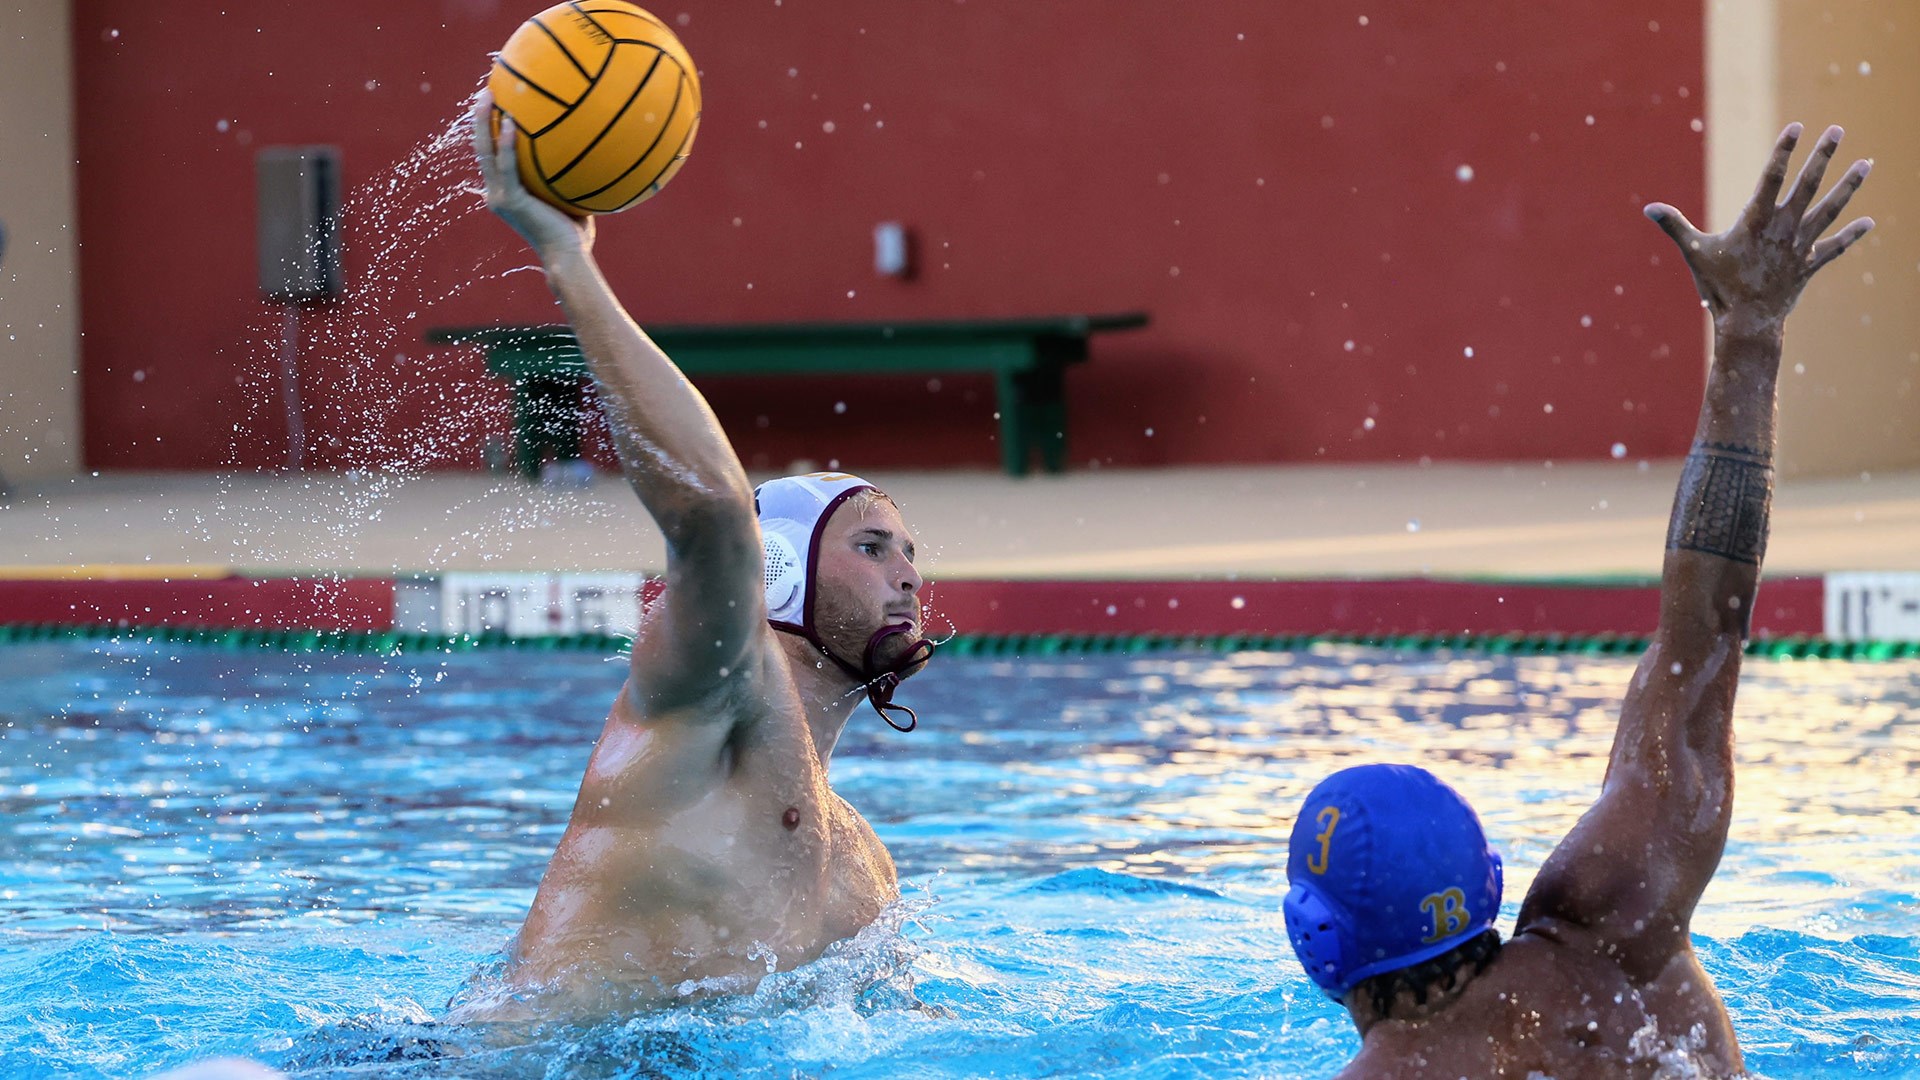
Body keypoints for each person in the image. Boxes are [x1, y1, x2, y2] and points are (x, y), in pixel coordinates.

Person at [1282, 123, 1873, 1078]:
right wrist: (1751, 339)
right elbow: (1706, 631)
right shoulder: (1618, 925)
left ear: (1317, 942)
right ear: (1487, 881)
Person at [456, 90, 936, 1017]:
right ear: (780, 576)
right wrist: (566, 254)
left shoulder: (863, 865)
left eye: (911, 553)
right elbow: (713, 512)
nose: (908, 574)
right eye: (873, 547)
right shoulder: (708, 698)